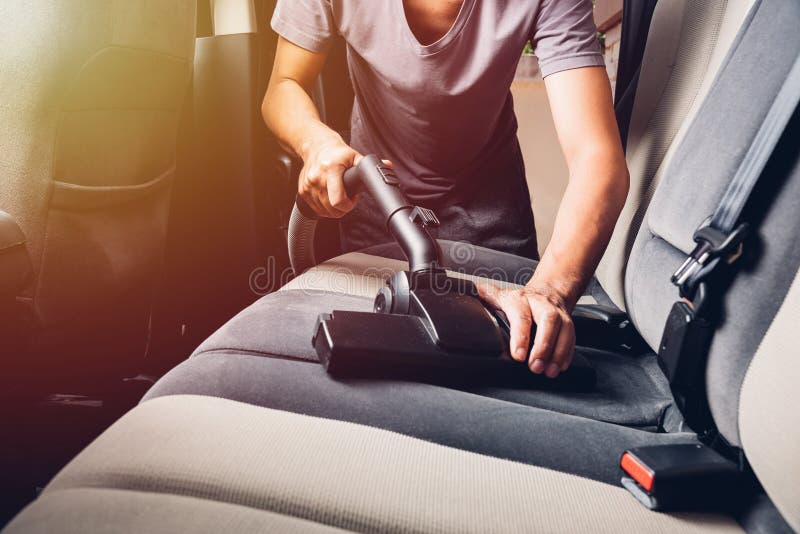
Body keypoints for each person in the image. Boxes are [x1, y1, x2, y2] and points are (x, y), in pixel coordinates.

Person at [262, 0, 629, 378]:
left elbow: (597, 160)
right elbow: (284, 85)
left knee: (504, 368)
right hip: (381, 210)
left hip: (493, 224)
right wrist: (316, 144)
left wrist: (548, 291)